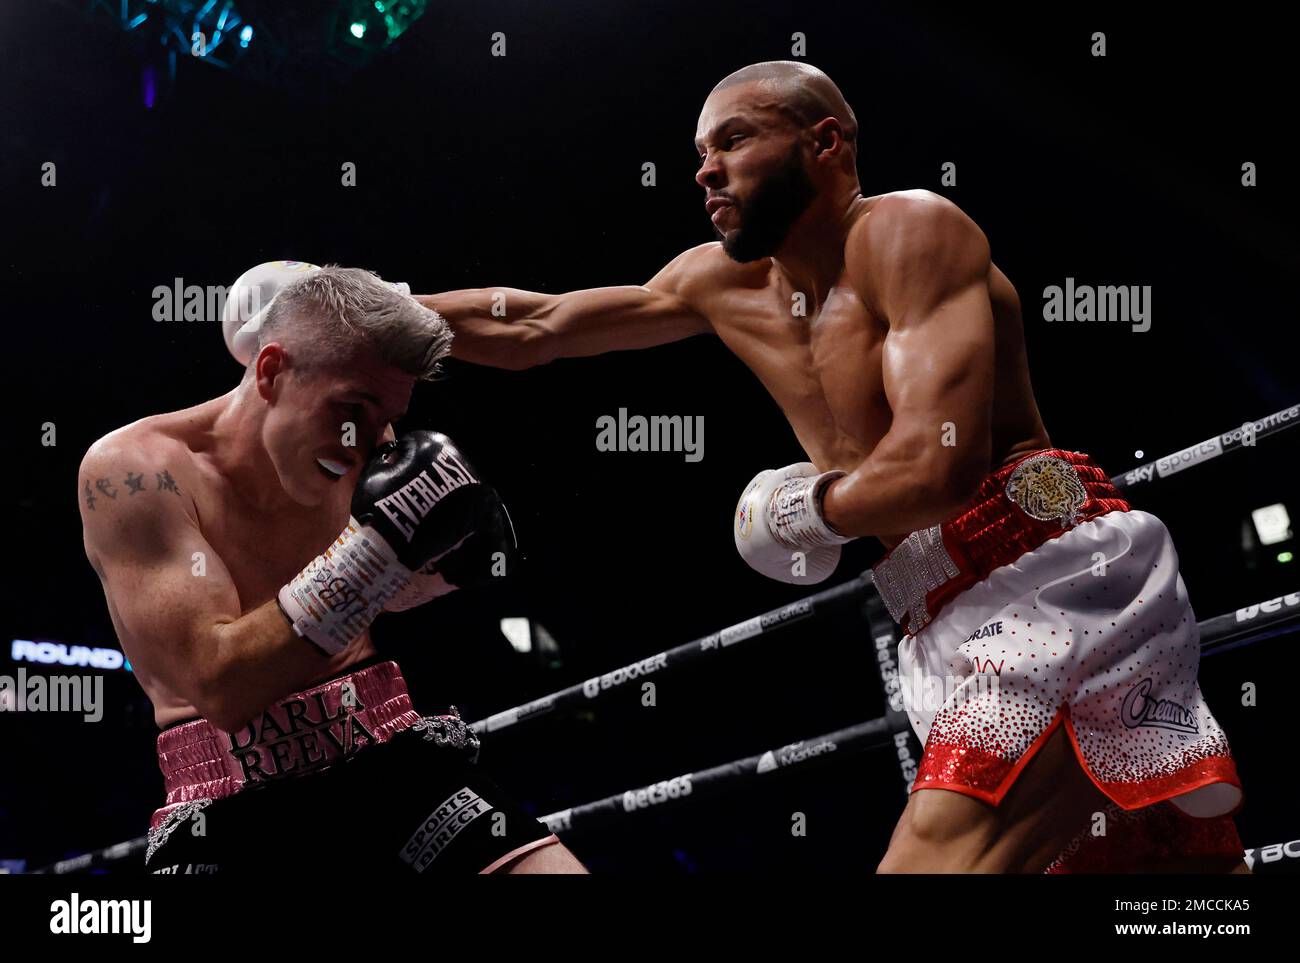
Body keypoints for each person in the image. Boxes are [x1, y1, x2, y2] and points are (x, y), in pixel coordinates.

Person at [415, 61, 1245, 872]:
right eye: (700, 152)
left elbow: (936, 467)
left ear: (826, 142)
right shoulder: (719, 283)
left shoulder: (909, 230)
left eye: (734, 141)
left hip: (1050, 581)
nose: (706, 169)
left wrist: (797, 510)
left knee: (935, 856)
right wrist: (357, 307)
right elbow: (539, 326)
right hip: (934, 608)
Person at [78, 261, 586, 874]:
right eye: (353, 407)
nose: (372, 443)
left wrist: (446, 570)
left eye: (388, 416)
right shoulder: (134, 473)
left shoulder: (360, 440)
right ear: (270, 372)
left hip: (390, 759)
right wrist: (383, 550)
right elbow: (221, 686)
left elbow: (379, 594)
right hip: (232, 800)